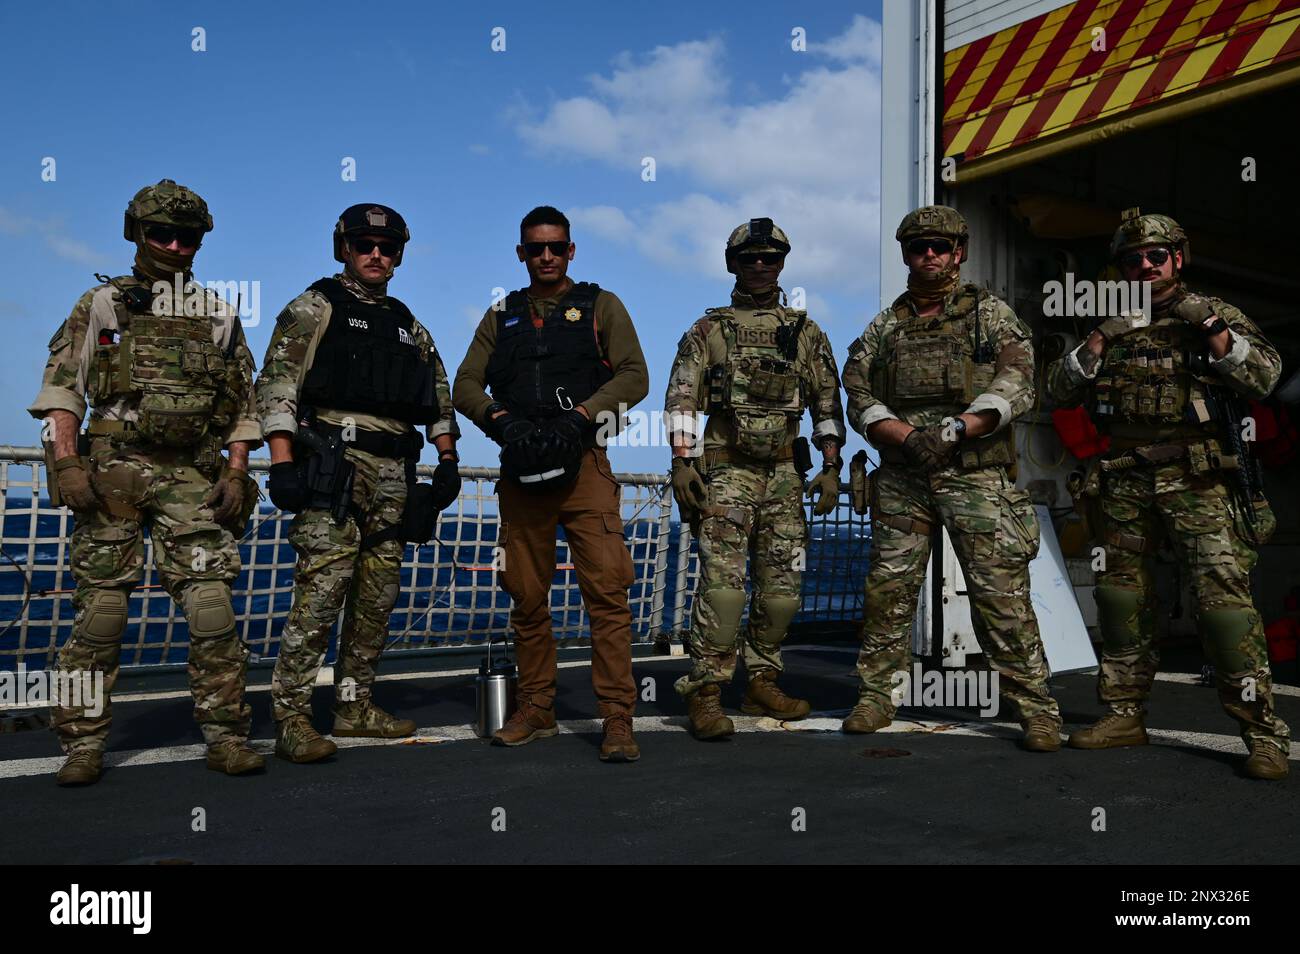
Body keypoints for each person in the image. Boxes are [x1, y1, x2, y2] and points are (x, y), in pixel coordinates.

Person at [28, 178, 263, 785]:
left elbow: (244, 405)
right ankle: (82, 745)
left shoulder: (218, 313)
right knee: (102, 611)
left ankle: (226, 735)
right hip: (114, 470)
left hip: (192, 474)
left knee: (211, 607)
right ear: (136, 233)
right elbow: (62, 390)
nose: (175, 245)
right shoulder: (102, 305)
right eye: (162, 232)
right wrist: (66, 463)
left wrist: (237, 472)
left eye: (186, 236)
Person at [1045, 208, 1289, 779]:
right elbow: (1055, 390)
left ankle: (1262, 733)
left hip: (1198, 478)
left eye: (1156, 256)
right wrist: (1099, 340)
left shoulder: (1213, 315)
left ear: (1178, 258)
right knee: (1121, 600)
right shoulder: (1111, 324)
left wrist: (1209, 328)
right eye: (1133, 260)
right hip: (1125, 479)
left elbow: (1264, 379)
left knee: (1225, 610)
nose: (1146, 266)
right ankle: (1123, 714)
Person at [840, 205, 1062, 751]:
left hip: (974, 475)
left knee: (1000, 593)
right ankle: (875, 696)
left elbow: (1018, 381)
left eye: (940, 246)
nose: (930, 256)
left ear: (959, 251)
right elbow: (858, 391)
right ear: (907, 255)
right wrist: (903, 435)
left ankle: (1033, 704)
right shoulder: (886, 326)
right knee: (888, 592)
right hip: (903, 475)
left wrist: (958, 429)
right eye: (919, 248)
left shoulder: (991, 315)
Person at [256, 204, 461, 763]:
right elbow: (277, 387)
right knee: (321, 594)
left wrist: (447, 461)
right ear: (342, 247)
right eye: (365, 244)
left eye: (388, 247)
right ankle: (293, 718)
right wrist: (280, 464)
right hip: (333, 466)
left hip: (395, 471)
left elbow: (437, 397)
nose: (377, 254)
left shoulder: (408, 323)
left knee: (377, 596)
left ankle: (352, 706)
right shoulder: (313, 308)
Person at [453, 205, 649, 761]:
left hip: (584, 466)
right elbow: (465, 383)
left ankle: (616, 719)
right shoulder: (500, 314)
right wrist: (501, 422)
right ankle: (536, 707)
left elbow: (635, 375)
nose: (546, 256)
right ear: (520, 253)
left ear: (571, 251)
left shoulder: (600, 306)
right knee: (526, 596)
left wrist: (579, 418)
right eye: (535, 248)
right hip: (522, 470)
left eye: (556, 247)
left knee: (607, 595)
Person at [664, 218, 845, 739]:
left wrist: (831, 468)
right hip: (726, 473)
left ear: (783, 263)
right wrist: (682, 462)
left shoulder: (806, 334)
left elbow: (827, 405)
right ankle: (705, 690)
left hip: (785, 476)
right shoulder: (709, 331)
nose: (761, 266)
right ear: (732, 264)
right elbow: (682, 399)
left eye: (770, 258)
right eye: (750, 258)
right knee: (723, 593)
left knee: (781, 593)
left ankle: (762, 678)